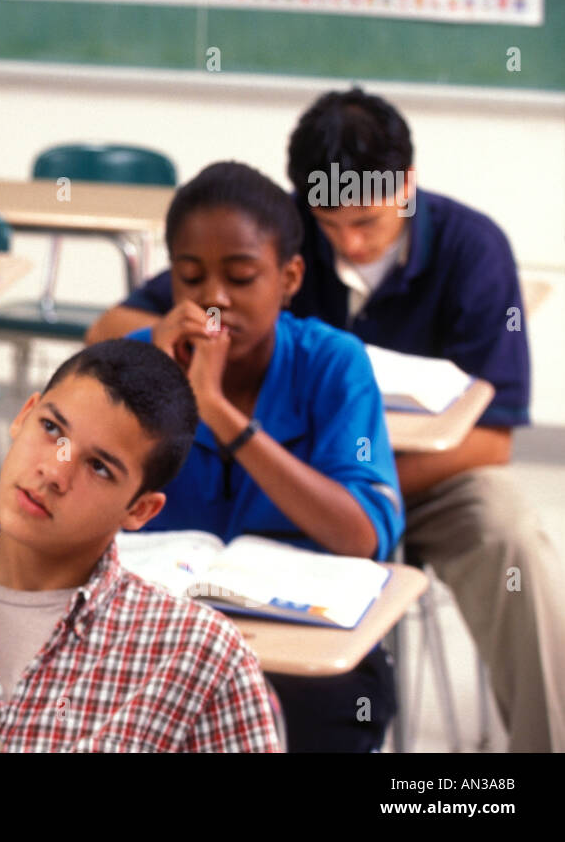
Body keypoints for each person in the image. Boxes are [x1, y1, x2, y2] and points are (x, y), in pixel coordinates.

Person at [90, 89, 563, 752]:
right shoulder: (269, 240)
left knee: (511, 538)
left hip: (422, 478)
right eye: (330, 221)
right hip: (270, 490)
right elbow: (113, 330)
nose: (349, 240)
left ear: (407, 184)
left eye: (367, 220)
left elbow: (492, 440)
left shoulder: (471, 249)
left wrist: (337, 473)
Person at [0, 339, 282, 752]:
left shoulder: (202, 660)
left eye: (99, 467)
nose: (53, 472)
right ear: (24, 414)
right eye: (51, 429)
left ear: (140, 510)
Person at [126, 161, 404, 752]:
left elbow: (362, 537)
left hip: (305, 661)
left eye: (243, 276)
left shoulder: (335, 365)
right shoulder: (133, 364)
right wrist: (153, 389)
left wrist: (219, 413)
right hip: (154, 646)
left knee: (333, 714)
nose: (214, 300)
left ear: (291, 276)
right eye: (191, 277)